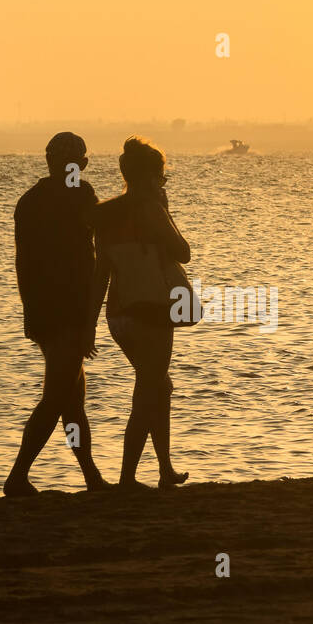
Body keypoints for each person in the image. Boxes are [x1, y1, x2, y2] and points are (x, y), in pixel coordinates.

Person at [3, 132, 109, 496]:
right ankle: (17, 476)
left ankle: (92, 478)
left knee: (71, 399)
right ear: (79, 163)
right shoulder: (80, 193)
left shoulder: (29, 201)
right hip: (68, 311)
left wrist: (29, 311)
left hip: (42, 310)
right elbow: (103, 229)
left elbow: (23, 264)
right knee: (57, 397)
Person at [90, 136, 191, 490]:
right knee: (148, 389)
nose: (162, 183)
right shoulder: (151, 208)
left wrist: (89, 327)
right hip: (152, 308)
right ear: (150, 177)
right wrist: (165, 211)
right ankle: (127, 478)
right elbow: (183, 251)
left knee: (159, 387)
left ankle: (164, 469)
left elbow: (101, 272)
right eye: (161, 176)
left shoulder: (103, 213)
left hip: (118, 313)